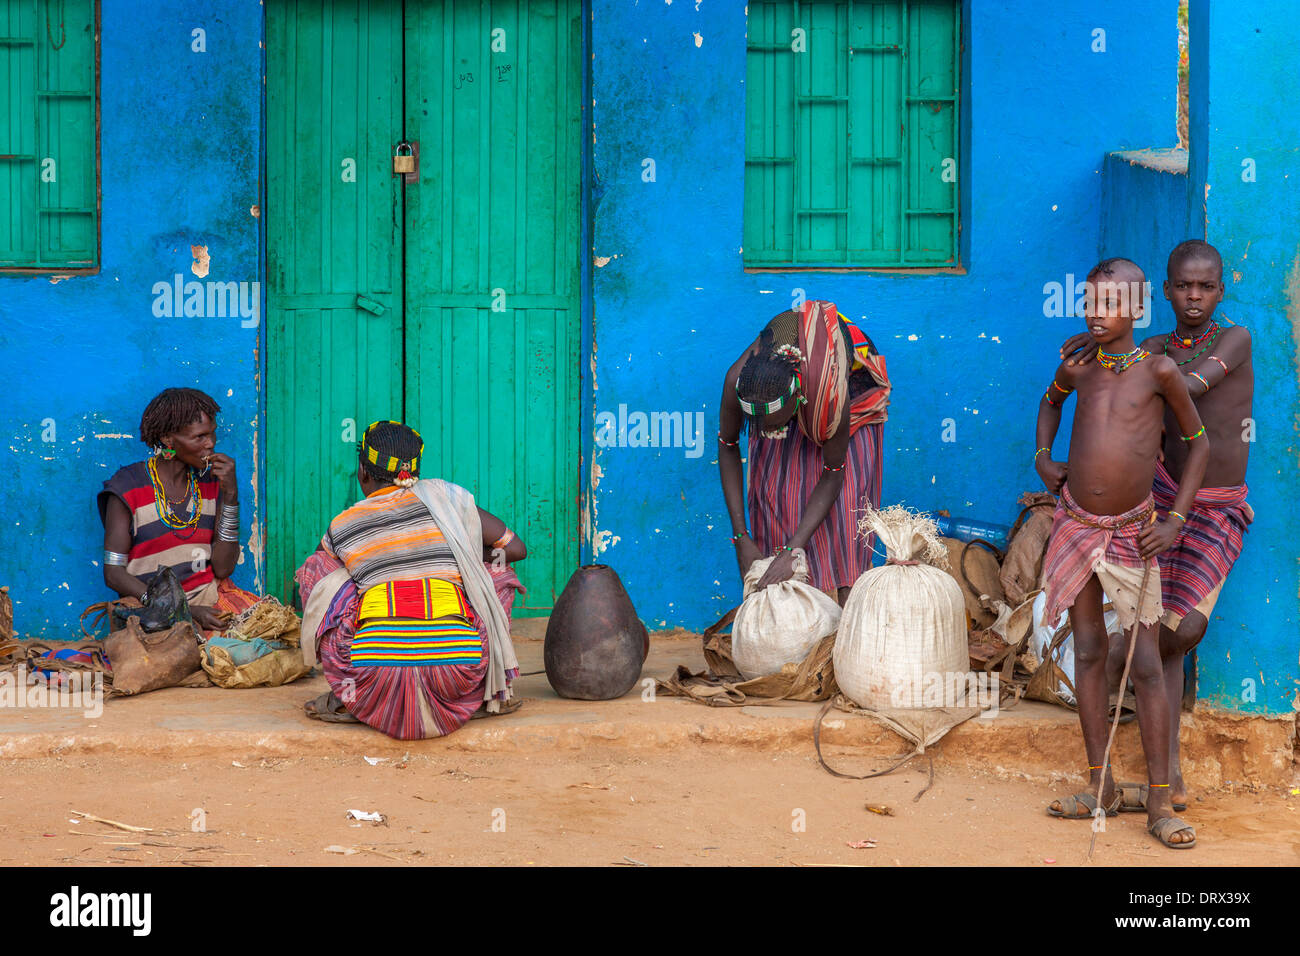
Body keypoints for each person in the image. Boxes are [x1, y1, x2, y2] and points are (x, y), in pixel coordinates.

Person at [1060, 240, 1253, 812]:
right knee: (1158, 644)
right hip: (1159, 502)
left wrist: (1121, 359)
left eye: (1206, 287)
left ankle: (1103, 662)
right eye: (1184, 286)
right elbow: (1118, 392)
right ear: (1166, 292)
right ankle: (1167, 780)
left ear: (1221, 290)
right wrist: (1089, 366)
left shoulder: (1232, 341)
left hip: (1212, 504)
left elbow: (1183, 389)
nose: (1194, 297)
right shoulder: (1148, 350)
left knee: (1181, 630)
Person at [1036, 258, 1208, 849]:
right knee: (1087, 650)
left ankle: (1161, 802)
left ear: (1137, 309)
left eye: (1109, 305)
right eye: (1089, 303)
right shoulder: (1079, 367)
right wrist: (1043, 457)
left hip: (1135, 534)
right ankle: (1100, 784)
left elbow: (1198, 443)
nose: (1095, 314)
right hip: (1075, 525)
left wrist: (1177, 519)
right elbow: (1050, 403)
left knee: (1144, 665)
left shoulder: (1159, 371)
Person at [294, 420, 527, 740]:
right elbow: (513, 548)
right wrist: (463, 554)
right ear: (413, 471)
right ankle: (489, 689)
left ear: (362, 471)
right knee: (498, 572)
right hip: (458, 673)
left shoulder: (343, 524)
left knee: (317, 570)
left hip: (373, 677)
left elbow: (320, 582)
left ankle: (348, 695)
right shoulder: (449, 500)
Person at [717, 300, 890, 605]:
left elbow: (833, 474)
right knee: (775, 488)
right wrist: (740, 536)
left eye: (775, 425)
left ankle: (848, 615)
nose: (767, 433)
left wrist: (793, 550)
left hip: (851, 392)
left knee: (844, 513)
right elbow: (729, 446)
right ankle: (786, 608)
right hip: (791, 397)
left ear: (797, 399)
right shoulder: (738, 382)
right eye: (759, 427)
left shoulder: (830, 392)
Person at [98, 387, 258, 637]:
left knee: (275, 637)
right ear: (168, 440)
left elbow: (223, 569)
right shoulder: (127, 487)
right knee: (212, 656)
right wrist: (185, 610)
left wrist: (230, 496)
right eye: (199, 437)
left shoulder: (209, 482)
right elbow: (113, 574)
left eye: (212, 434)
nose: (211, 444)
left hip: (210, 598)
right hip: (152, 609)